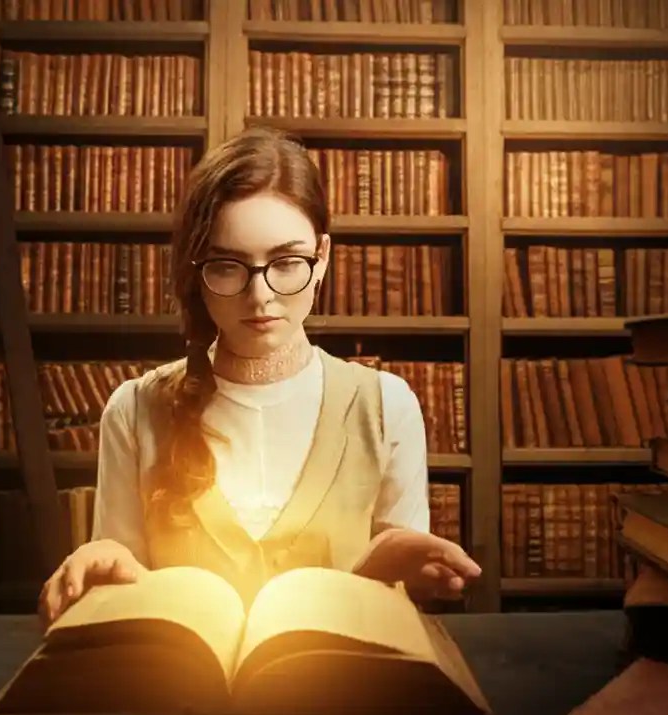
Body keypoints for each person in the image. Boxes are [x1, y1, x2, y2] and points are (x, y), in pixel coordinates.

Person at [38, 126, 480, 627]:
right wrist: (104, 569)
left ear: (322, 258)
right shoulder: (135, 408)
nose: (260, 296)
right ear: (197, 271)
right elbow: (124, 601)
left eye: (287, 262)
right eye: (228, 266)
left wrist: (388, 573)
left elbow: (396, 621)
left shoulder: (385, 407)